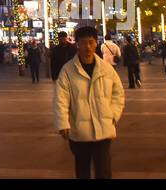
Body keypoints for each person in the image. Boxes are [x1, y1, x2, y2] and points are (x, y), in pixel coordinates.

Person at [53, 25, 124, 179]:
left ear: (96, 43)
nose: (88, 46)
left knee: (103, 170)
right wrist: (63, 123)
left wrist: (113, 115)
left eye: (91, 42)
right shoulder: (68, 71)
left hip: (103, 128)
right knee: (82, 170)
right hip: (80, 130)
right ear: (77, 44)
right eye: (83, 42)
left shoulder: (106, 69)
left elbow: (118, 93)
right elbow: (61, 99)